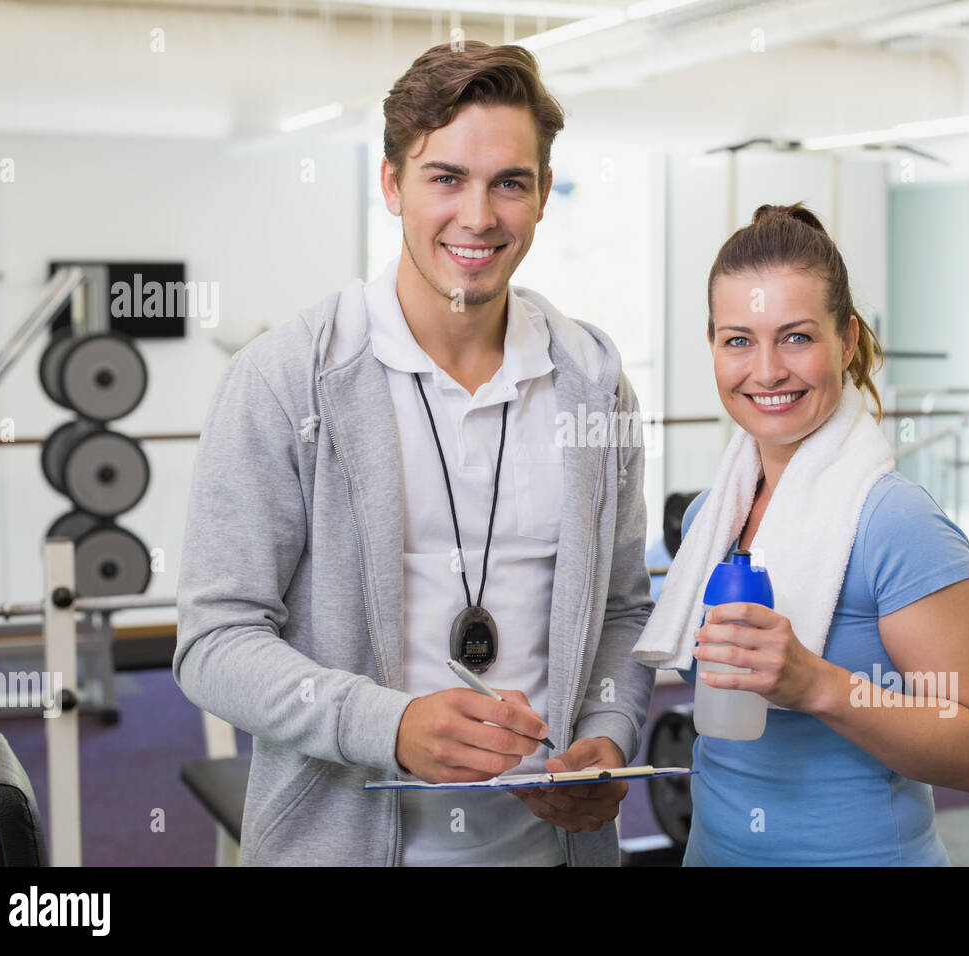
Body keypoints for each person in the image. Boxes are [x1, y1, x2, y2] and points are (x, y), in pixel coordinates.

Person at [174, 41, 655, 867]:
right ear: (392, 184)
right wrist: (388, 725)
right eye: (446, 178)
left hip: (557, 851)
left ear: (542, 197)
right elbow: (214, 639)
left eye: (511, 182)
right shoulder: (288, 381)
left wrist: (607, 737)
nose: (478, 216)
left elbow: (621, 610)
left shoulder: (595, 386)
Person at [634, 202, 969, 865]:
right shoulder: (707, 521)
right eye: (739, 339)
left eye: (797, 337)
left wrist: (820, 686)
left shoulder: (896, 521)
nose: (768, 370)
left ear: (849, 341)